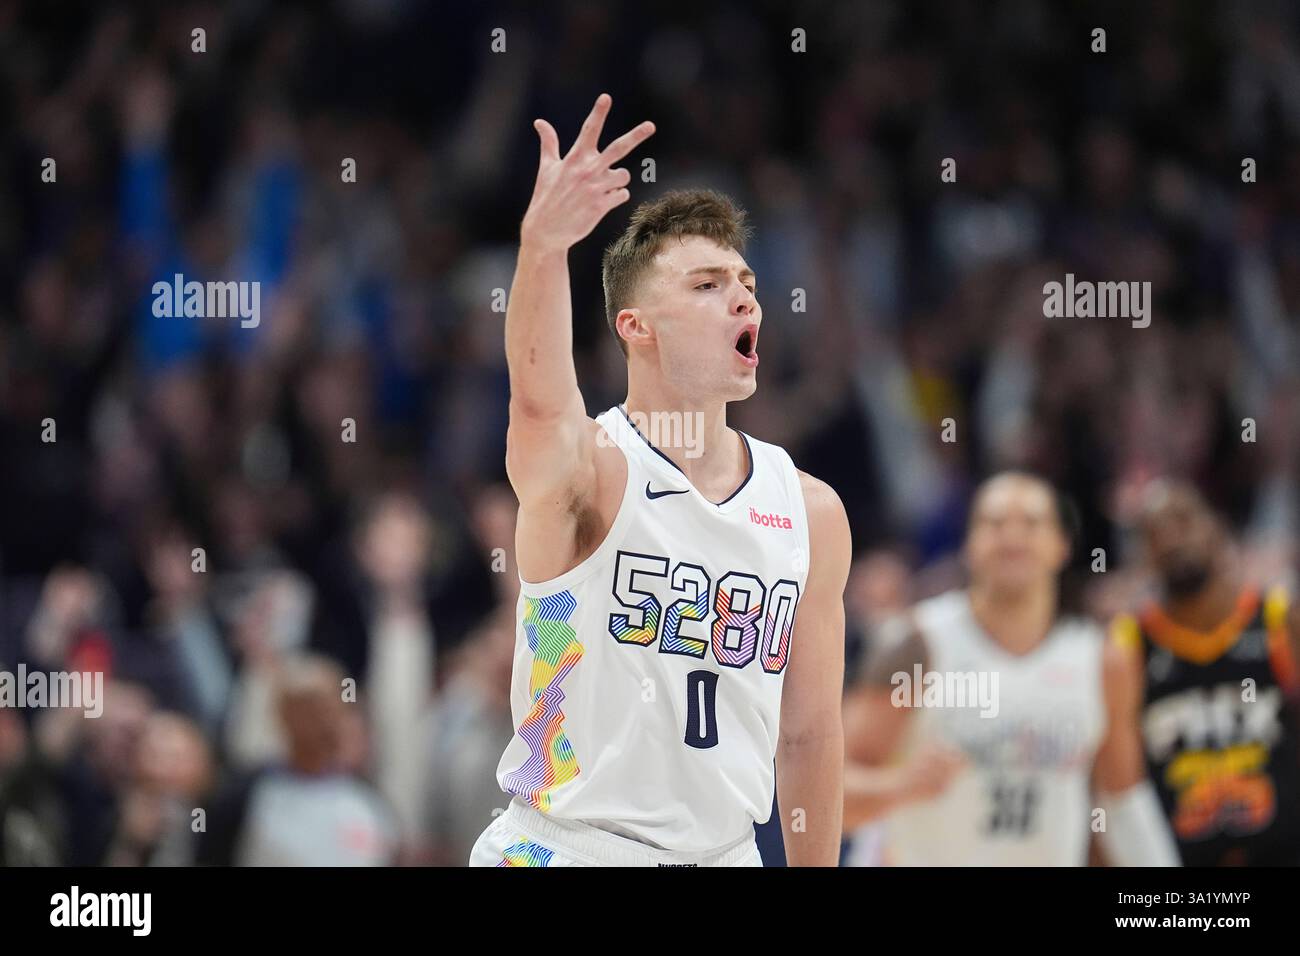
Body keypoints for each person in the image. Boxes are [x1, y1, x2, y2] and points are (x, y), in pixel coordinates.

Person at [470, 93, 850, 867]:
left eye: (745, 281)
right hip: (567, 849)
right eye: (707, 285)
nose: (743, 295)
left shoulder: (810, 508)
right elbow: (539, 404)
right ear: (635, 328)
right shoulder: (590, 468)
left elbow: (809, 736)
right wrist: (543, 249)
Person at [842, 472, 1179, 865]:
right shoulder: (917, 645)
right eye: (995, 523)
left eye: (1032, 524)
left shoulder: (1100, 659)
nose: (1013, 537)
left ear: (1061, 545)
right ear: (969, 544)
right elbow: (832, 794)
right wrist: (900, 786)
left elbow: (1124, 801)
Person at [1111, 479, 1300, 865]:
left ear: (1216, 527)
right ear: (1142, 556)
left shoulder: (1280, 618)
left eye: (1183, 521)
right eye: (1153, 533)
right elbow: (1119, 783)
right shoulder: (1128, 644)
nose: (1170, 539)